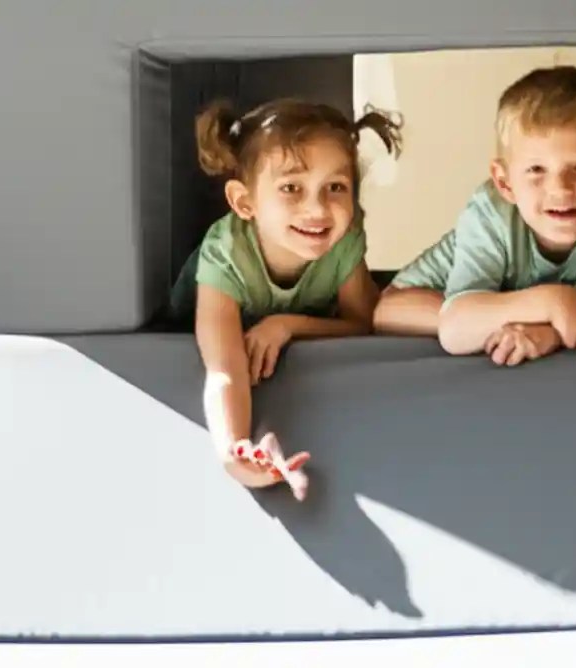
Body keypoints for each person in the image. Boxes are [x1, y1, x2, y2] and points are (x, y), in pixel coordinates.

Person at [169, 97, 402, 499]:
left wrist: (287, 326)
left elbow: (362, 324)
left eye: (336, 187)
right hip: (199, 331)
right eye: (291, 187)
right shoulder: (224, 256)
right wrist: (233, 450)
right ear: (245, 202)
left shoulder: (344, 239)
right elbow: (224, 369)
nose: (317, 208)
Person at [373, 65, 576, 366]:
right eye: (536, 170)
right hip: (414, 300)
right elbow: (455, 328)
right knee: (391, 313)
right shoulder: (491, 212)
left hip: (499, 302)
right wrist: (554, 302)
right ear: (505, 182)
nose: (560, 189)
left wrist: (550, 330)